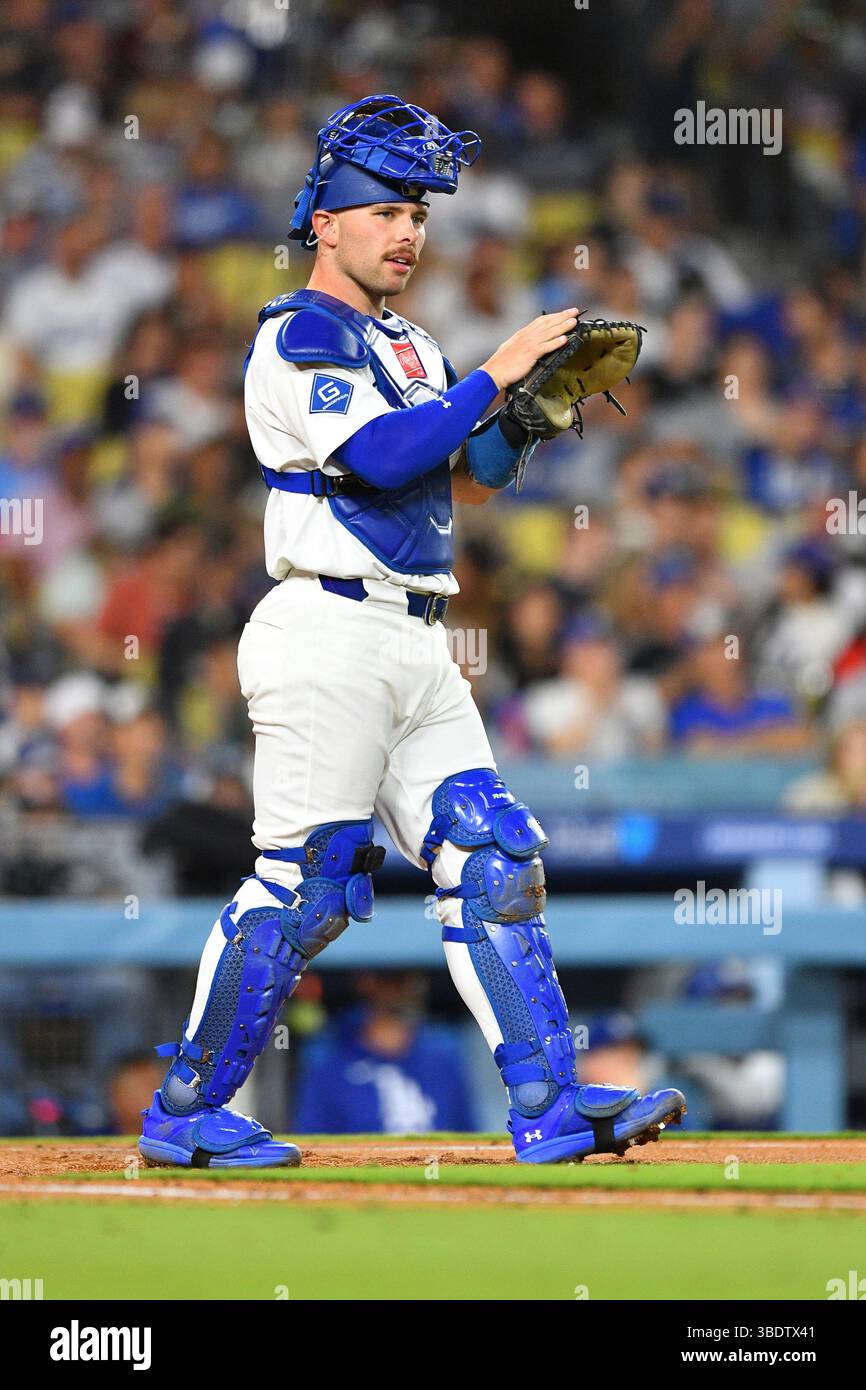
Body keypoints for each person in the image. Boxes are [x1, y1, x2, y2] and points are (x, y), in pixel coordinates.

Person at [139, 94, 685, 1170]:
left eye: (418, 214)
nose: (406, 231)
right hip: (324, 627)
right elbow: (383, 460)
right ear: (326, 223)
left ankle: (548, 1104)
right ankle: (187, 1108)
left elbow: (464, 479)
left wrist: (525, 411)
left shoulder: (411, 342)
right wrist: (498, 366)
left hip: (415, 635)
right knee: (305, 884)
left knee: (488, 854)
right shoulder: (301, 334)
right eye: (385, 210)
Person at [294, 971, 475, 1134]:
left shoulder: (441, 1062)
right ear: (366, 984)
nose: (400, 992)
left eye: (407, 981)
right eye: (389, 980)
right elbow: (313, 1146)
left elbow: (469, 1138)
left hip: (436, 1166)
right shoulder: (330, 1070)